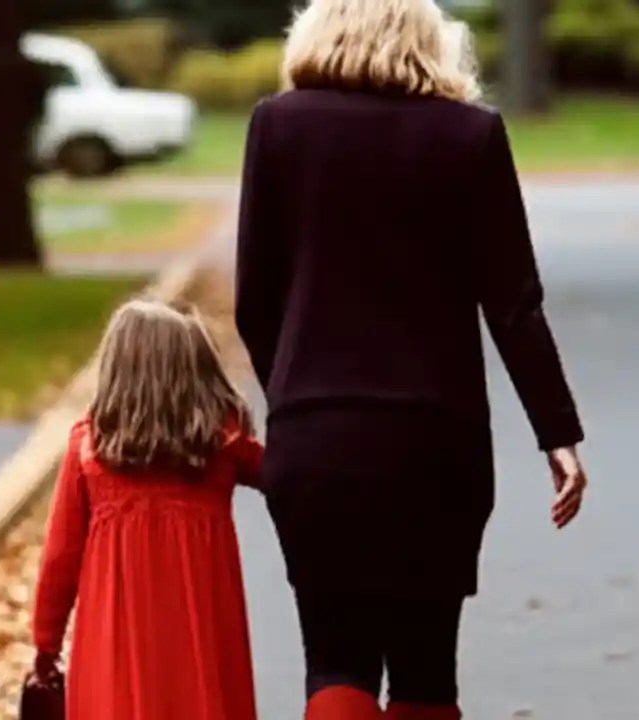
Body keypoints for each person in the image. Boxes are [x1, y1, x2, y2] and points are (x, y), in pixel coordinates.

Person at [235, 0, 591, 718]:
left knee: (335, 657)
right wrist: (557, 432)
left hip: (317, 432)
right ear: (431, 39)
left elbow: (254, 301)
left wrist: (294, 398)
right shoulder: (472, 136)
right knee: (428, 668)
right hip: (437, 441)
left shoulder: (279, 126)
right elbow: (514, 303)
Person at [30, 299, 263, 720]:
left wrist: (46, 645)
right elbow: (285, 475)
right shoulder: (221, 444)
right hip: (202, 635)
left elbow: (60, 557)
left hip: (113, 642)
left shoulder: (89, 448)